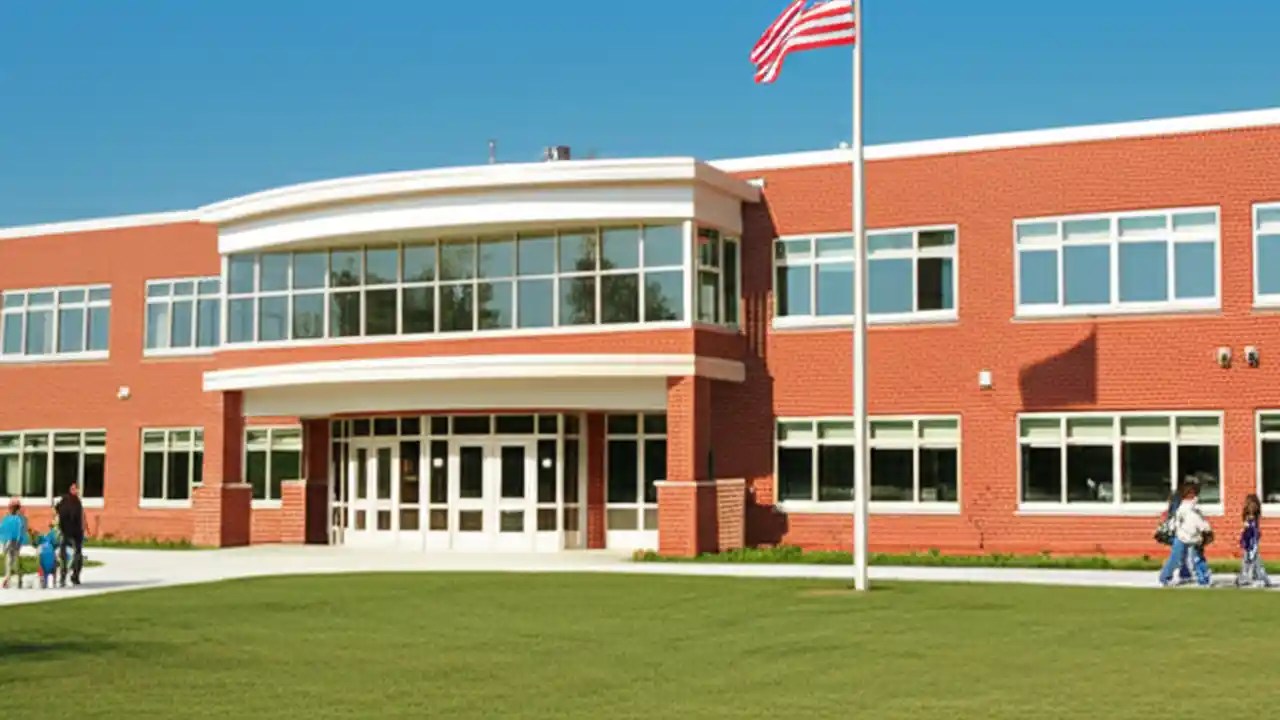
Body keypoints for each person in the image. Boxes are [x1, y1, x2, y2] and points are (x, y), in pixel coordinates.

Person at [1159, 483, 1213, 587]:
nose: (1193, 496)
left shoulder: (1192, 508)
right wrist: (1206, 529)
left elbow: (1198, 520)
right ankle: (1166, 577)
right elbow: (1197, 521)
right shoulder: (1187, 508)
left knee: (1196, 559)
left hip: (1192, 537)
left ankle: (1203, 579)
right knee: (1178, 558)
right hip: (1184, 536)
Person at [1235, 494, 1273, 588]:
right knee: (1247, 561)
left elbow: (1255, 532)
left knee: (1255, 561)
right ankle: (1244, 578)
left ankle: (1262, 578)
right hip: (1247, 543)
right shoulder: (1247, 518)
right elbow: (1245, 533)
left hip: (1253, 543)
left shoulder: (1255, 519)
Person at [1161, 483, 1194, 584]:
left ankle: (1185, 573)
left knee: (1182, 554)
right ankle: (1165, 577)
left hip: (1179, 533)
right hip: (1180, 533)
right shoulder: (1180, 506)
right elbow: (1180, 520)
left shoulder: (1174, 505)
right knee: (1176, 555)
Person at [55, 482, 86, 587]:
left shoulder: (71, 502)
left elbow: (58, 511)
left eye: (77, 489)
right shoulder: (72, 502)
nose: (76, 491)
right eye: (74, 489)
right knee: (71, 555)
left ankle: (71, 576)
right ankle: (69, 577)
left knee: (73, 556)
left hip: (72, 532)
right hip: (70, 532)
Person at [0, 498, 30, 589]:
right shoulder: (15, 518)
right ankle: (12, 578)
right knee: (12, 559)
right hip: (13, 541)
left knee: (11, 559)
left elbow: (20, 531)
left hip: (13, 541)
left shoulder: (16, 519)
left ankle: (11, 578)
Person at [35, 524, 59, 589]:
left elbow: (35, 544)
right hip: (50, 558)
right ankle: (54, 581)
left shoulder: (40, 539)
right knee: (54, 560)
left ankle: (42, 578)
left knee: (39, 561)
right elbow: (56, 544)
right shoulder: (51, 536)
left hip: (43, 558)